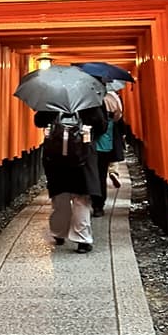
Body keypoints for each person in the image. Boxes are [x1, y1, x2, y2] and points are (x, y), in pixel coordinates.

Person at [33, 103, 108, 253]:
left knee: (60, 194)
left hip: (55, 155)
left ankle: (59, 232)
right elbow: (101, 126)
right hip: (83, 154)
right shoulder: (90, 99)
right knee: (81, 197)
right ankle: (82, 239)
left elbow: (39, 121)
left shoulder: (52, 98)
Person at [92, 89, 124, 217]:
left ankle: (88, 200)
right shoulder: (112, 97)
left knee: (88, 172)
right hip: (104, 139)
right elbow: (118, 116)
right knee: (101, 174)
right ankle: (98, 205)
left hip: (85, 142)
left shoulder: (83, 96)